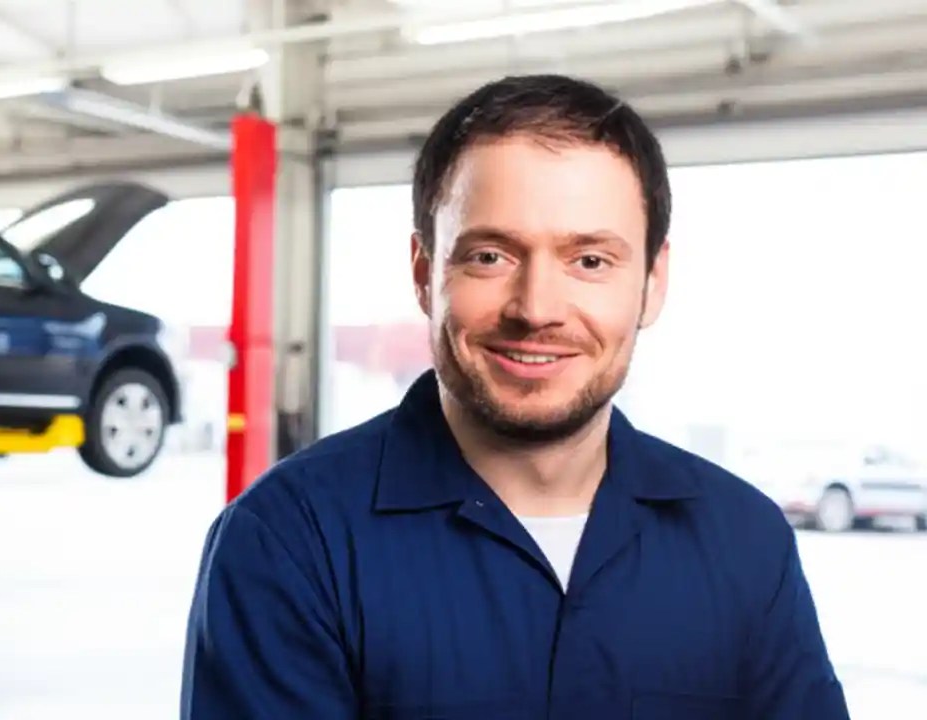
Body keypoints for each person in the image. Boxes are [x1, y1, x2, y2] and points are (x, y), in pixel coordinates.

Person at [180, 75, 850, 719]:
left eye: (590, 260)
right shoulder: (290, 541)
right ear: (424, 273)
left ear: (652, 281)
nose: (537, 309)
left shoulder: (745, 542)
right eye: (490, 257)